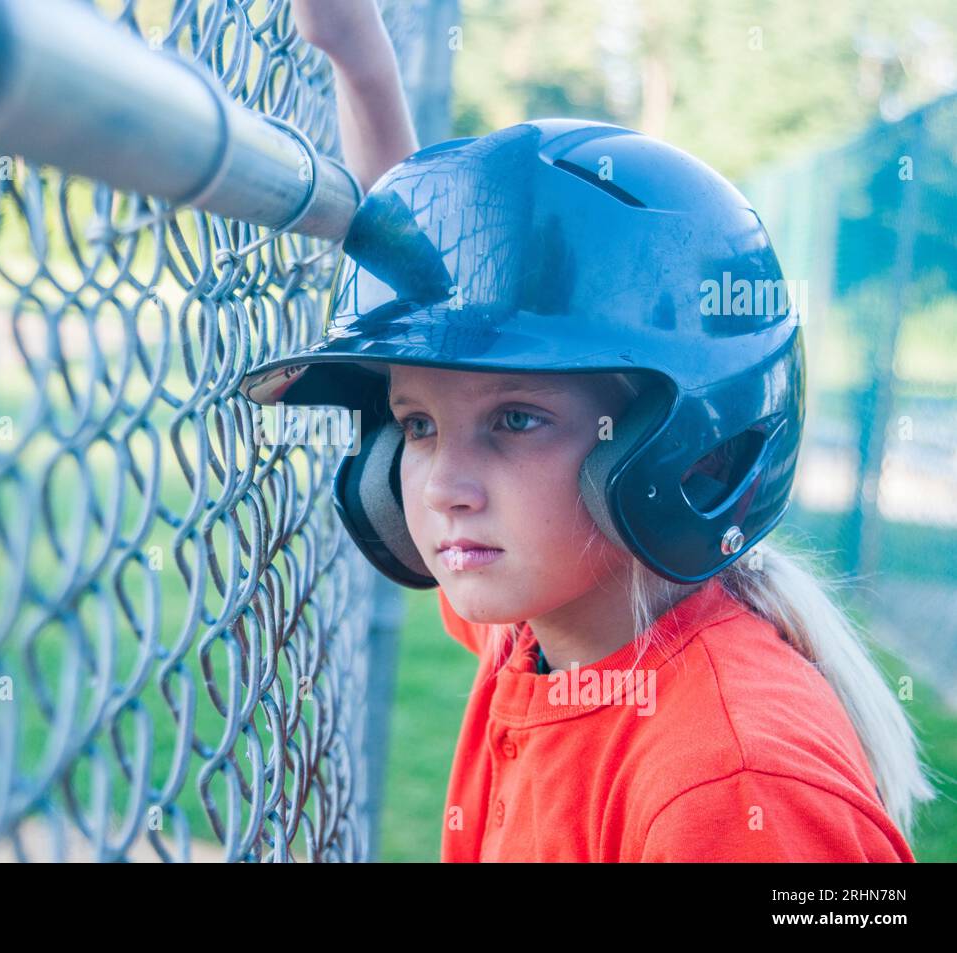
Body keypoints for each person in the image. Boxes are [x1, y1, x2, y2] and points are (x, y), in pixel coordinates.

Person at [238, 0, 939, 862]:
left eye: (515, 420)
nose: (443, 486)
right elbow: (429, 280)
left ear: (678, 445)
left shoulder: (731, 787)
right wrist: (363, 63)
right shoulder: (550, 625)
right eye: (416, 424)